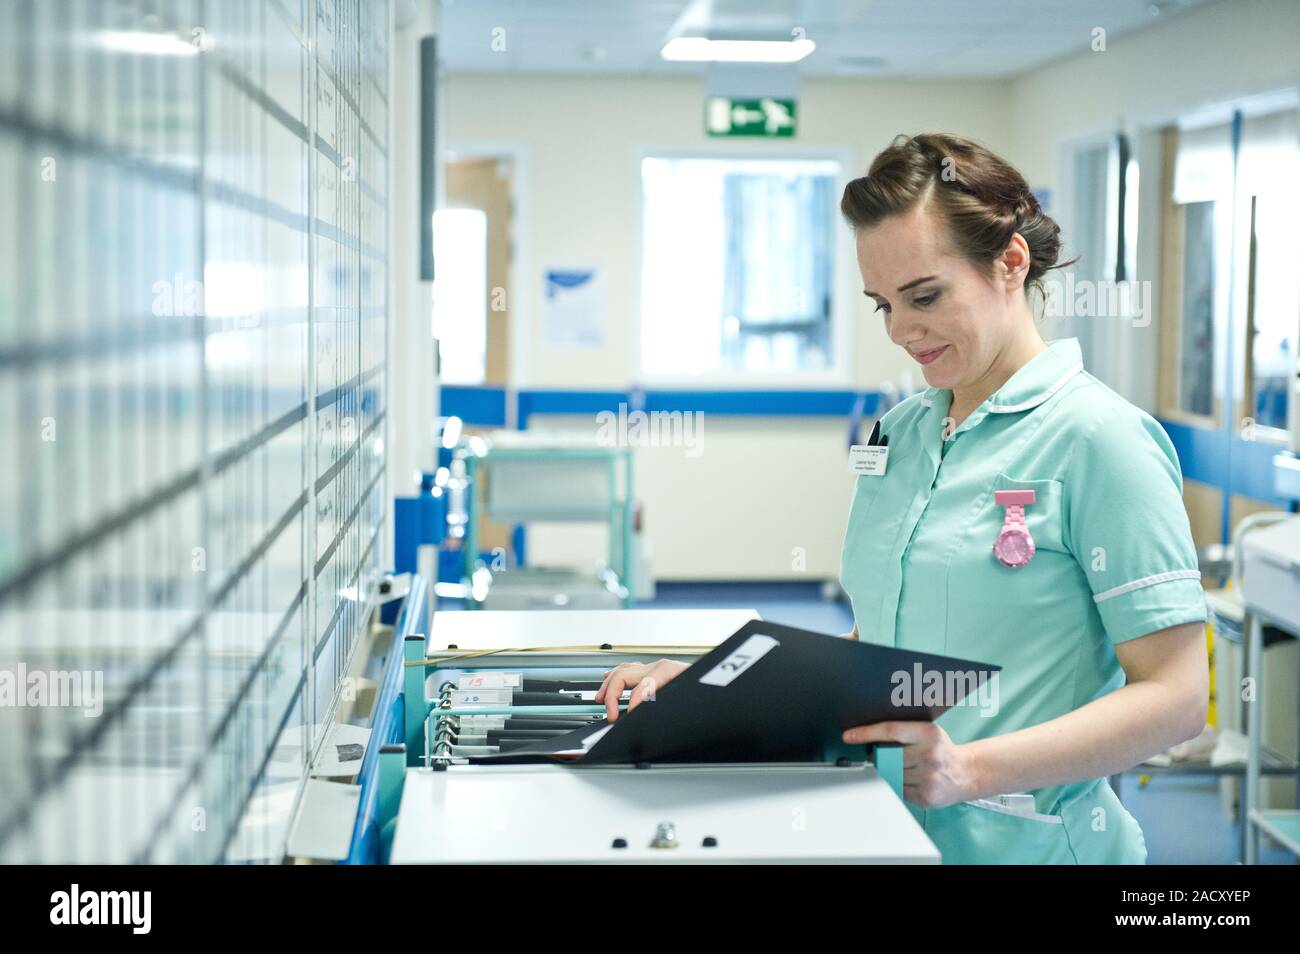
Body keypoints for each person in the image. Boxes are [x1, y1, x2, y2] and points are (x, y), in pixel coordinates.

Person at [595, 133, 1209, 864]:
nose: (901, 331)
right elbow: (884, 644)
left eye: (924, 296)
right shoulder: (906, 432)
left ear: (1010, 262)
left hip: (1033, 848)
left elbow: (1175, 699)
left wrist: (968, 769)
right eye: (882, 304)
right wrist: (711, 692)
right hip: (889, 836)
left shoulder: (1101, 441)